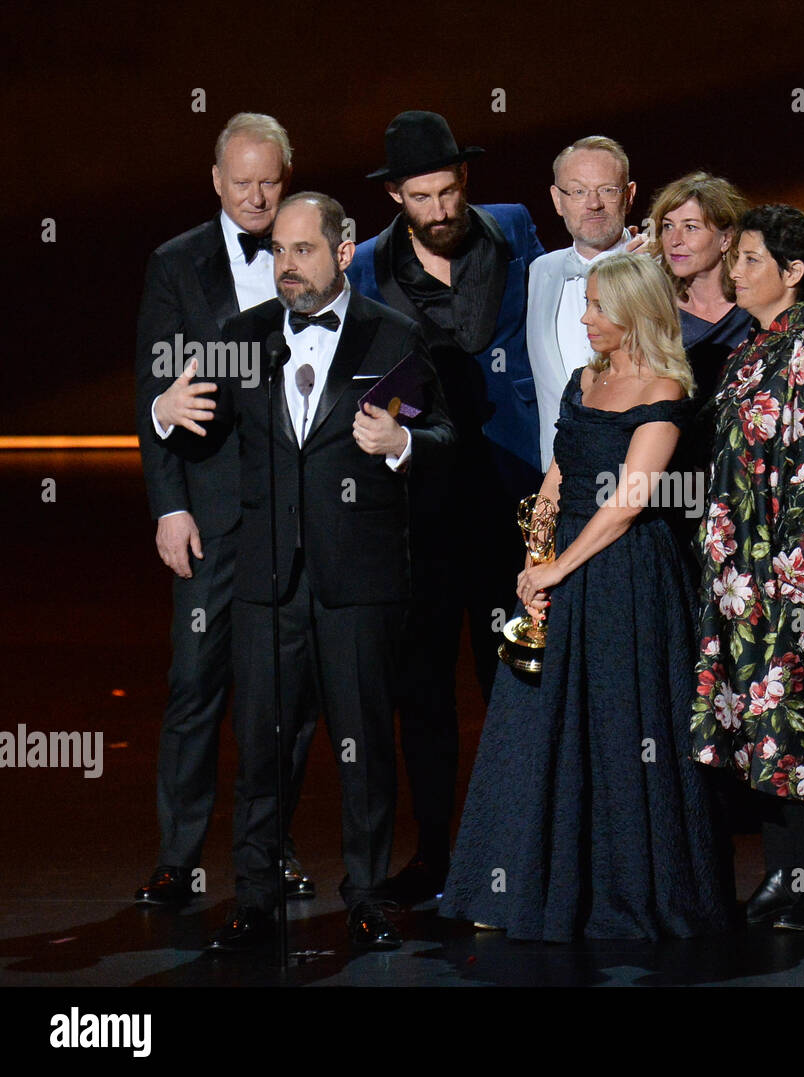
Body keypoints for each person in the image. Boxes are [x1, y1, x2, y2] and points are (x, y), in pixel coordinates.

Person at [440, 253, 731, 941]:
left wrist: (559, 565)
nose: (586, 318)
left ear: (634, 312)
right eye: (588, 304)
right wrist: (534, 560)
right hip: (564, 565)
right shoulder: (583, 380)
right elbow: (558, 473)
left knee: (623, 727)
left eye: (599, 307)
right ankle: (515, 886)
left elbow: (630, 501)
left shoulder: (666, 388)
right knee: (534, 723)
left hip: (626, 572)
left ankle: (625, 895)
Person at [200, 192, 456, 951]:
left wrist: (401, 445)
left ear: (344, 253)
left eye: (303, 250)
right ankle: (254, 896)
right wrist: (160, 408)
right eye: (277, 251)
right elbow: (194, 429)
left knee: (365, 745)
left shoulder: (394, 337)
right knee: (263, 745)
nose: (286, 266)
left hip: (361, 582)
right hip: (268, 582)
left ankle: (368, 896)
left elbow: (443, 435)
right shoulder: (243, 337)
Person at [347, 111, 544, 903]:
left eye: (450, 190)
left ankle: (523, 852)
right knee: (422, 692)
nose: (440, 208)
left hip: (514, 495)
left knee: (517, 681)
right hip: (419, 510)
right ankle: (434, 855)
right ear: (395, 194)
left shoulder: (518, 230)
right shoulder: (365, 264)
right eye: (422, 195)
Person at [134, 112, 316, 906]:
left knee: (283, 695)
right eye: (240, 182)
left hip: (297, 511)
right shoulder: (176, 264)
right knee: (195, 683)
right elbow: (156, 392)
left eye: (268, 180)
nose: (254, 195)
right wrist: (169, 506)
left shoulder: (314, 255)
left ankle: (267, 852)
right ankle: (178, 856)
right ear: (216, 181)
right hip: (209, 514)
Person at [693, 205, 804, 931]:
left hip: (789, 579)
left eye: (749, 259)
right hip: (748, 575)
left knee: (796, 720)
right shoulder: (755, 347)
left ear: (792, 273)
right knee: (766, 725)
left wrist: (792, 585)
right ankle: (786, 875)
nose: (733, 270)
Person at [526, 135, 641, 472]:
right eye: (577, 192)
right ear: (557, 200)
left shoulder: (657, 270)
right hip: (557, 476)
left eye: (607, 190)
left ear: (629, 196)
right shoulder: (541, 272)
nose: (593, 204)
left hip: (637, 477)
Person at [648, 170, 752, 398]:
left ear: (726, 239)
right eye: (667, 226)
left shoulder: (754, 313)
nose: (675, 240)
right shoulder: (654, 312)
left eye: (690, 227)